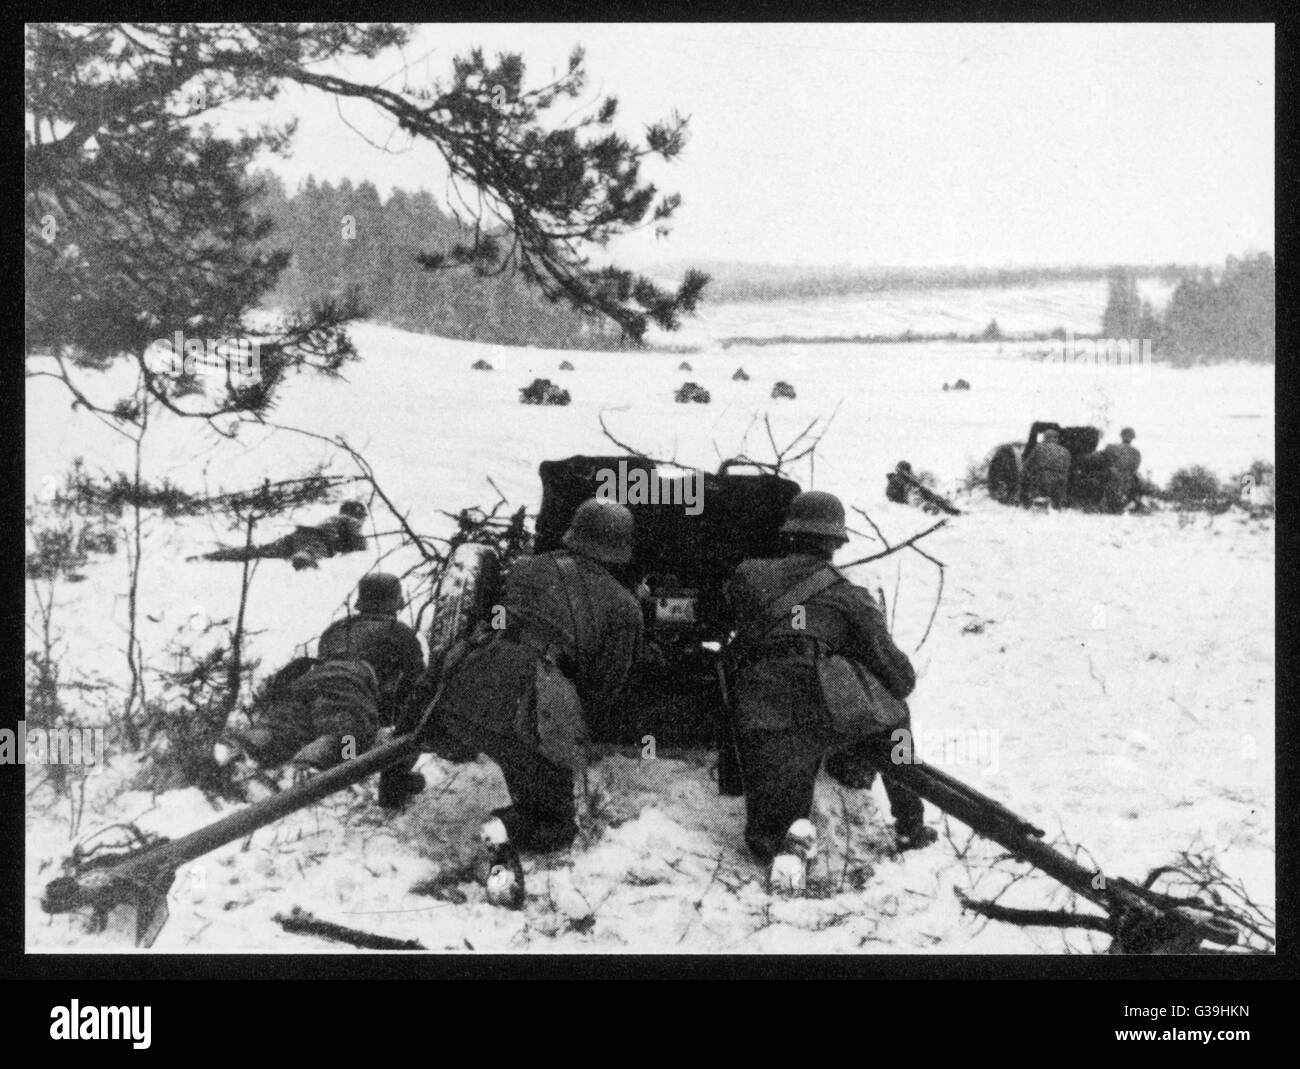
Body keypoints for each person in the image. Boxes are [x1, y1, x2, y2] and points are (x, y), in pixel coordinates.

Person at [410, 498, 644, 864]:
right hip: (528, 713)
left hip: (465, 684)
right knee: (554, 827)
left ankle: (397, 780)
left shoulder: (526, 569)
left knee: (476, 732)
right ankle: (500, 828)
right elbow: (603, 688)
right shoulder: (624, 606)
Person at [725, 490, 937, 886]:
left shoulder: (747, 575)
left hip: (755, 710)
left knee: (771, 838)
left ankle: (786, 845)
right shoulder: (850, 597)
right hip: (810, 713)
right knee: (894, 714)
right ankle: (910, 823)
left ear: (788, 534)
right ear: (837, 543)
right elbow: (901, 679)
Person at [229, 573, 421, 775]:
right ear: (395, 603)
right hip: (351, 684)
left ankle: (249, 744)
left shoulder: (336, 628)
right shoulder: (398, 631)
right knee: (352, 739)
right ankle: (316, 761)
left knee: (288, 729)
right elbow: (416, 683)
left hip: (308, 681)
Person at [195, 500, 369, 569]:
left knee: (261, 550)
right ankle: (304, 558)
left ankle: (221, 555)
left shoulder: (337, 519)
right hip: (314, 541)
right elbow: (354, 541)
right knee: (316, 549)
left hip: (297, 537)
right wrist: (361, 544)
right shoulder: (348, 520)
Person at [1021, 429, 1071, 508]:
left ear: (1045, 438)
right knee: (1057, 504)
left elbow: (1028, 464)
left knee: (1041, 500)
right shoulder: (1065, 451)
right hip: (1061, 480)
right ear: (1056, 439)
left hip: (1045, 478)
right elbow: (1067, 467)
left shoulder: (1039, 447)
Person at [1101, 427, 1142, 513]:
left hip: (1116, 478)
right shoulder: (1136, 452)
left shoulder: (1111, 447)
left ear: (1121, 436)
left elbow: (1106, 462)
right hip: (1123, 479)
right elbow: (1135, 468)